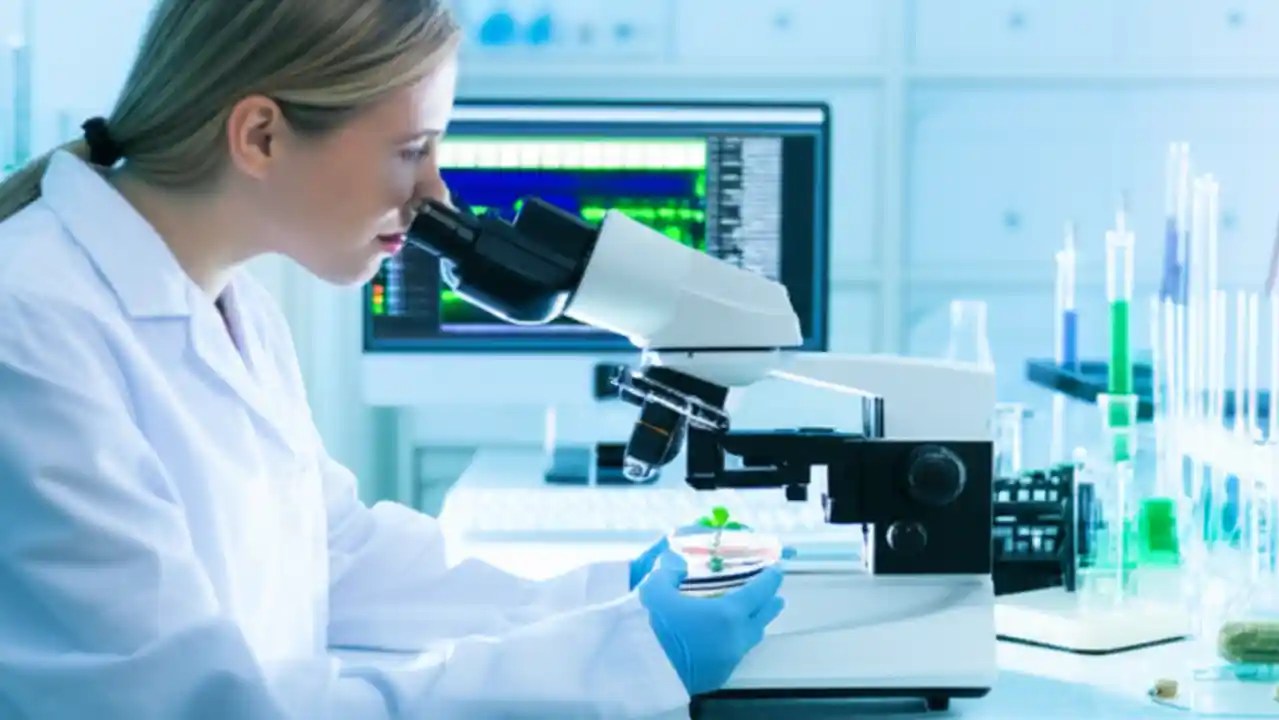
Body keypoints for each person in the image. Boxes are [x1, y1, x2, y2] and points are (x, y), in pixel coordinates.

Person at [0, 2, 786, 718]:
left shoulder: (236, 310)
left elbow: (332, 562)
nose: (434, 192)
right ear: (260, 136)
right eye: (411, 150)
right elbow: (197, 706)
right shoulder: (31, 327)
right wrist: (620, 658)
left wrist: (601, 599)